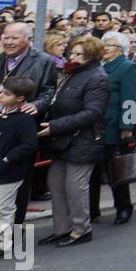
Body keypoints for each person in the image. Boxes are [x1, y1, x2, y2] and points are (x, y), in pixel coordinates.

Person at [0, 22, 57, 222]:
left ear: (28, 39)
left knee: (16, 185)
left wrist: (38, 104)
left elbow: (49, 91)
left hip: (19, 131)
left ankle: (12, 232)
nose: (8, 41)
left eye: (14, 38)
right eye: (6, 37)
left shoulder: (44, 61)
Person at [37, 36, 110, 248]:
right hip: (63, 138)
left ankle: (81, 229)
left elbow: (93, 112)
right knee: (56, 184)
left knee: (75, 187)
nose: (73, 57)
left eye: (79, 54)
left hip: (83, 139)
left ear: (90, 56)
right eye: (73, 53)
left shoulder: (97, 77)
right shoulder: (72, 73)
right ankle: (61, 229)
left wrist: (56, 126)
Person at [0, 75, 38, 255]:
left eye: (7, 94)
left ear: (20, 98)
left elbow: (29, 144)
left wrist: (8, 159)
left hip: (9, 172)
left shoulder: (24, 118)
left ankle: (2, 244)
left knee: (3, 209)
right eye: (1, 92)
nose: (1, 96)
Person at [89, 31, 136, 225]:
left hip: (113, 127)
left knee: (116, 171)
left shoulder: (127, 67)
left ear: (120, 49)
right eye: (104, 45)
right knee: (92, 172)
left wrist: (127, 126)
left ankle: (123, 207)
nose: (105, 49)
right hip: (94, 127)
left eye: (109, 45)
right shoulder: (97, 67)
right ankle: (92, 210)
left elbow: (131, 99)